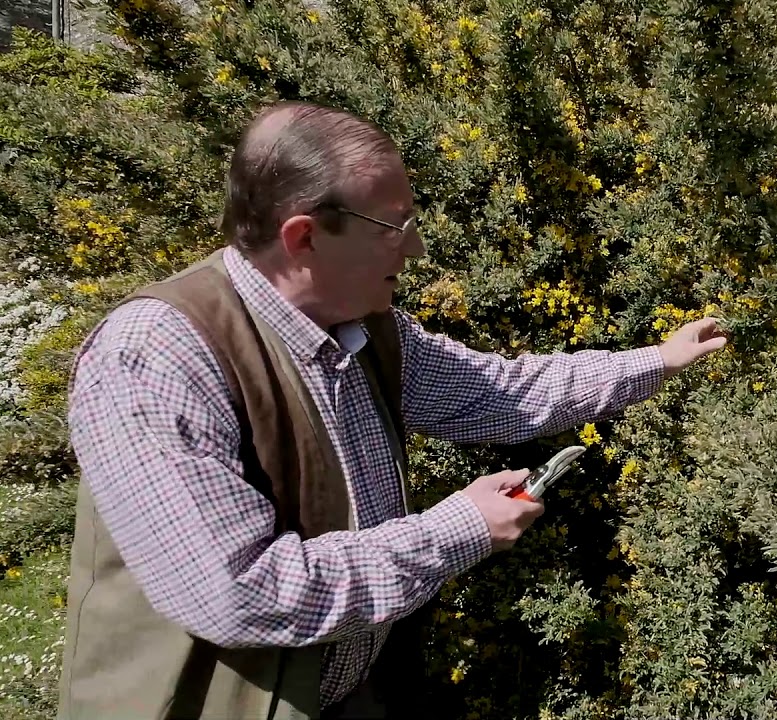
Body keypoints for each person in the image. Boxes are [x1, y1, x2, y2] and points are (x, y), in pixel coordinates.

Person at [56, 100, 727, 720]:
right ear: (304, 238)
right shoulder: (157, 354)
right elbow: (240, 592)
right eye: (394, 227)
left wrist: (659, 360)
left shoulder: (362, 326)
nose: (414, 249)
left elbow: (499, 393)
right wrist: (459, 529)